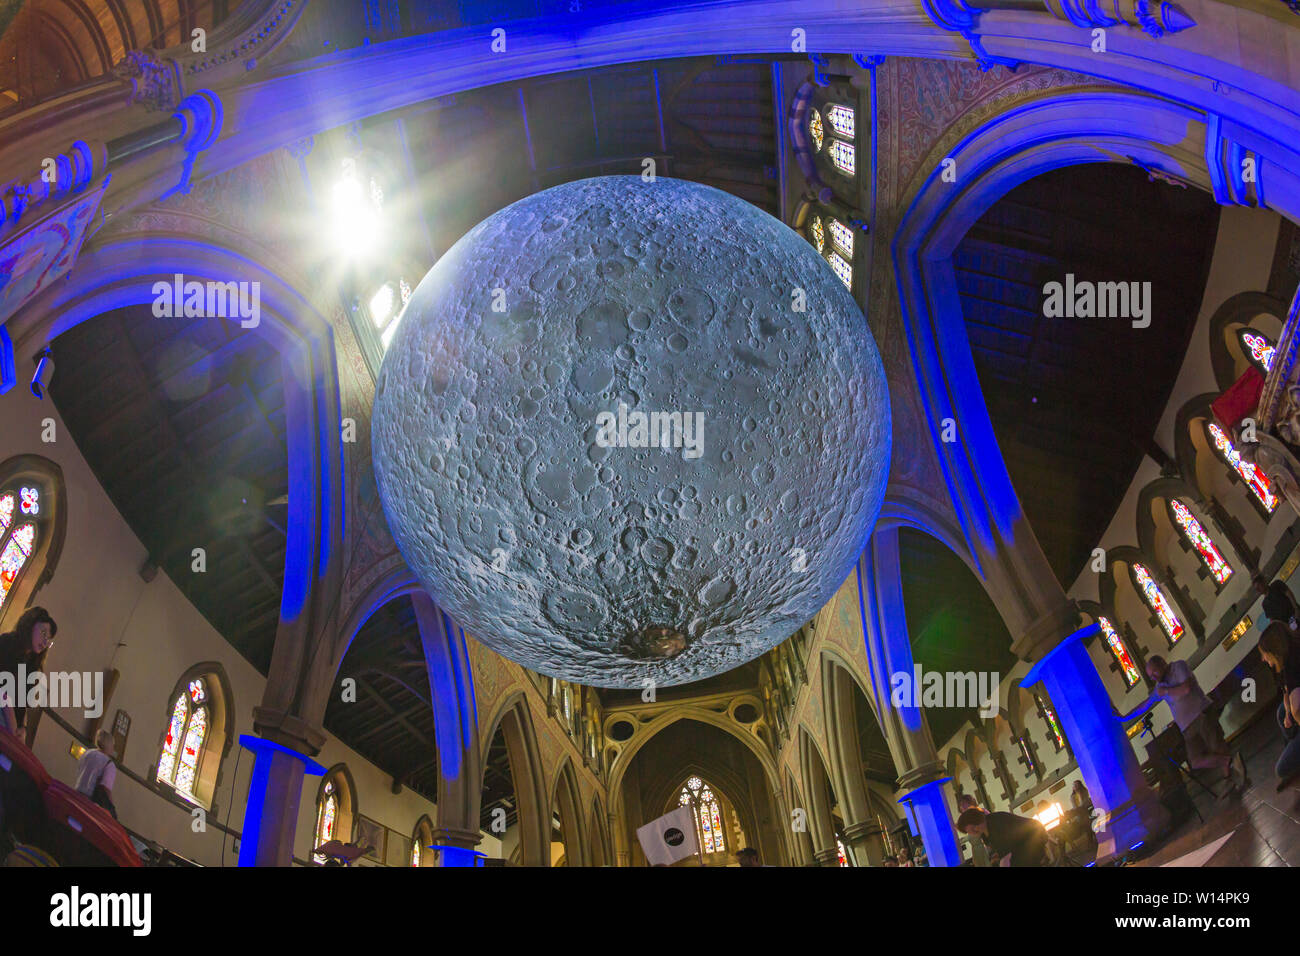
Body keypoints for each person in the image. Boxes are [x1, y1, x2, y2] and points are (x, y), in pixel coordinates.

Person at [1117, 654, 1248, 792]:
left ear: (1162, 663)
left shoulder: (1178, 667)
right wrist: (1124, 718)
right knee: (1195, 760)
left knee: (1217, 747)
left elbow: (1186, 689)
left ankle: (1233, 779)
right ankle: (1228, 761)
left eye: (1154, 672)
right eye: (1150, 676)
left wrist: (1166, 691)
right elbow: (1144, 705)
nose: (1154, 678)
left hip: (1201, 714)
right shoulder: (1159, 687)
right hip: (1186, 727)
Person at [0, 607, 57, 739]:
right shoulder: (7, 643)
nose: (44, 643)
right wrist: (14, 731)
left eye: (48, 640)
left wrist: (23, 728)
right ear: (31, 625)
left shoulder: (32, 663)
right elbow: (3, 693)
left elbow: (23, 702)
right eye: (43, 633)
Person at [1258, 622, 1300, 790]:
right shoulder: (1284, 664)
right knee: (1281, 712)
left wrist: (1294, 713)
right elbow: (1286, 693)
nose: (1263, 659)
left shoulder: (1291, 667)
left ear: (1274, 650)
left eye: (1264, 654)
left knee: (1280, 769)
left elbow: (1297, 705)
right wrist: (1289, 713)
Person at [956, 807, 1049, 867]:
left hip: (1034, 835)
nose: (971, 833)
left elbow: (1006, 856)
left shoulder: (995, 824)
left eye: (971, 829)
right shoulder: (985, 833)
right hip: (1024, 842)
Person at [74, 730, 118, 818]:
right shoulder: (108, 764)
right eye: (113, 746)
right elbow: (105, 788)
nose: (113, 749)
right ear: (109, 745)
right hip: (91, 804)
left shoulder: (87, 753)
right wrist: (112, 810)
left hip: (76, 795)